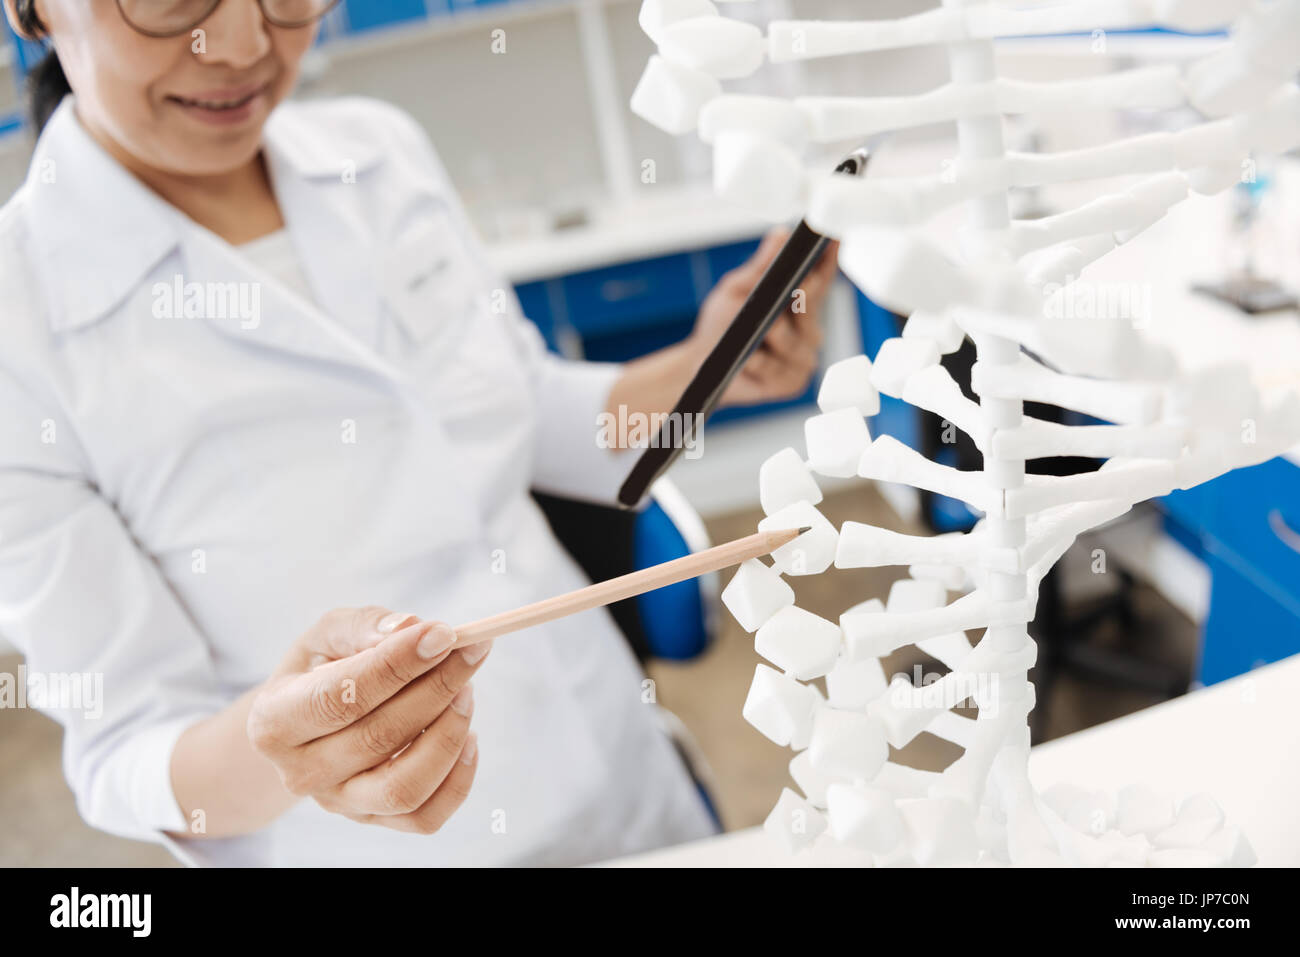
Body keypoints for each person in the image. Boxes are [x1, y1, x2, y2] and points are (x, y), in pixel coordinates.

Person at [0, 0, 837, 866]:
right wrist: (287, 744)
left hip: (620, 776)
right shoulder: (18, 329)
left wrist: (705, 368)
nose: (247, 45)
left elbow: (525, 414)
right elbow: (125, 751)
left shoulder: (379, 151)